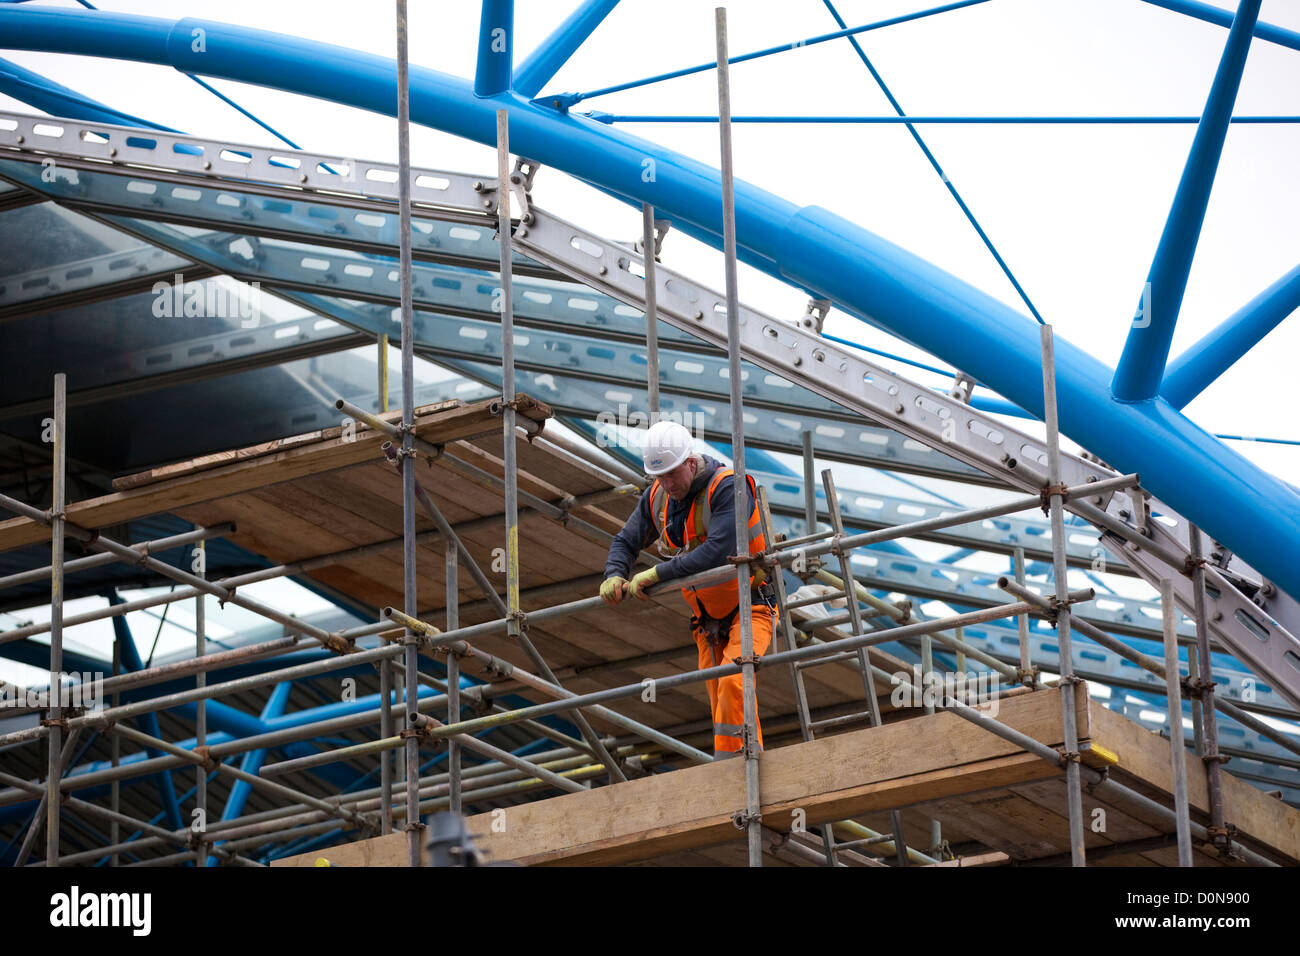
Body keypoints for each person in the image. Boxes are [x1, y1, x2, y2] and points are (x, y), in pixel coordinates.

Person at [599, 420, 776, 759]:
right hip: (707, 622)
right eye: (659, 477)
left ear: (691, 463)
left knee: (734, 682)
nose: (667, 484)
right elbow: (625, 540)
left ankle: (736, 774)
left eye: (672, 474)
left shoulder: (728, 488)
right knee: (720, 700)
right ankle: (742, 768)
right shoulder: (658, 497)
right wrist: (613, 573)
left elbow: (718, 551)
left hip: (750, 605)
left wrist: (657, 573)